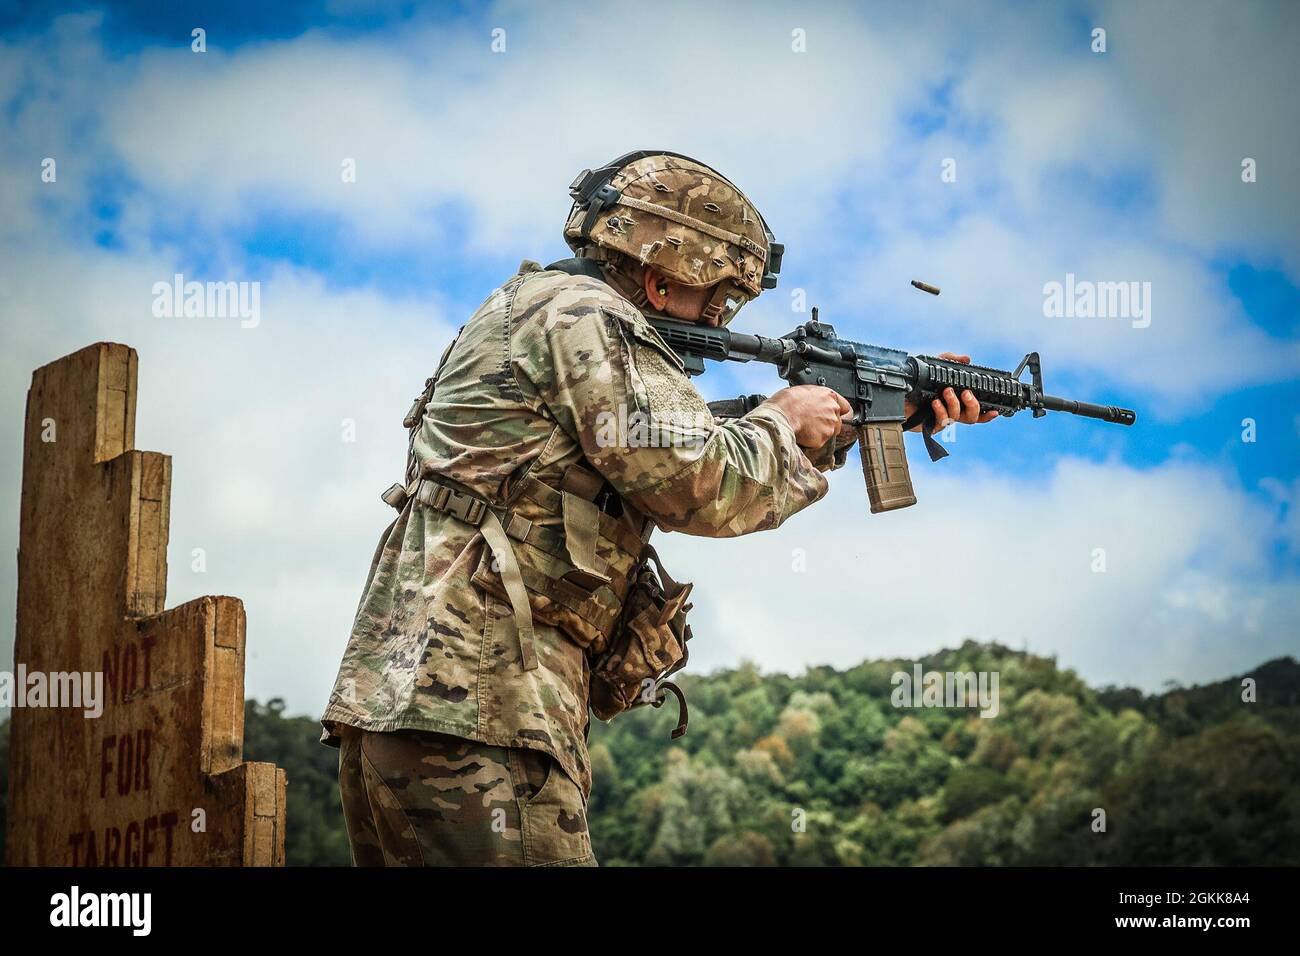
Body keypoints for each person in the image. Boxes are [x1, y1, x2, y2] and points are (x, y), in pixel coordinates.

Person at [320, 150, 992, 866]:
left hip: (415, 705)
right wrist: (786, 420)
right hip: (485, 709)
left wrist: (866, 414)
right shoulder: (590, 317)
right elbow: (694, 479)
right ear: (664, 275)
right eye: (719, 297)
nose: (718, 317)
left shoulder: (532, 306)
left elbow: (648, 441)